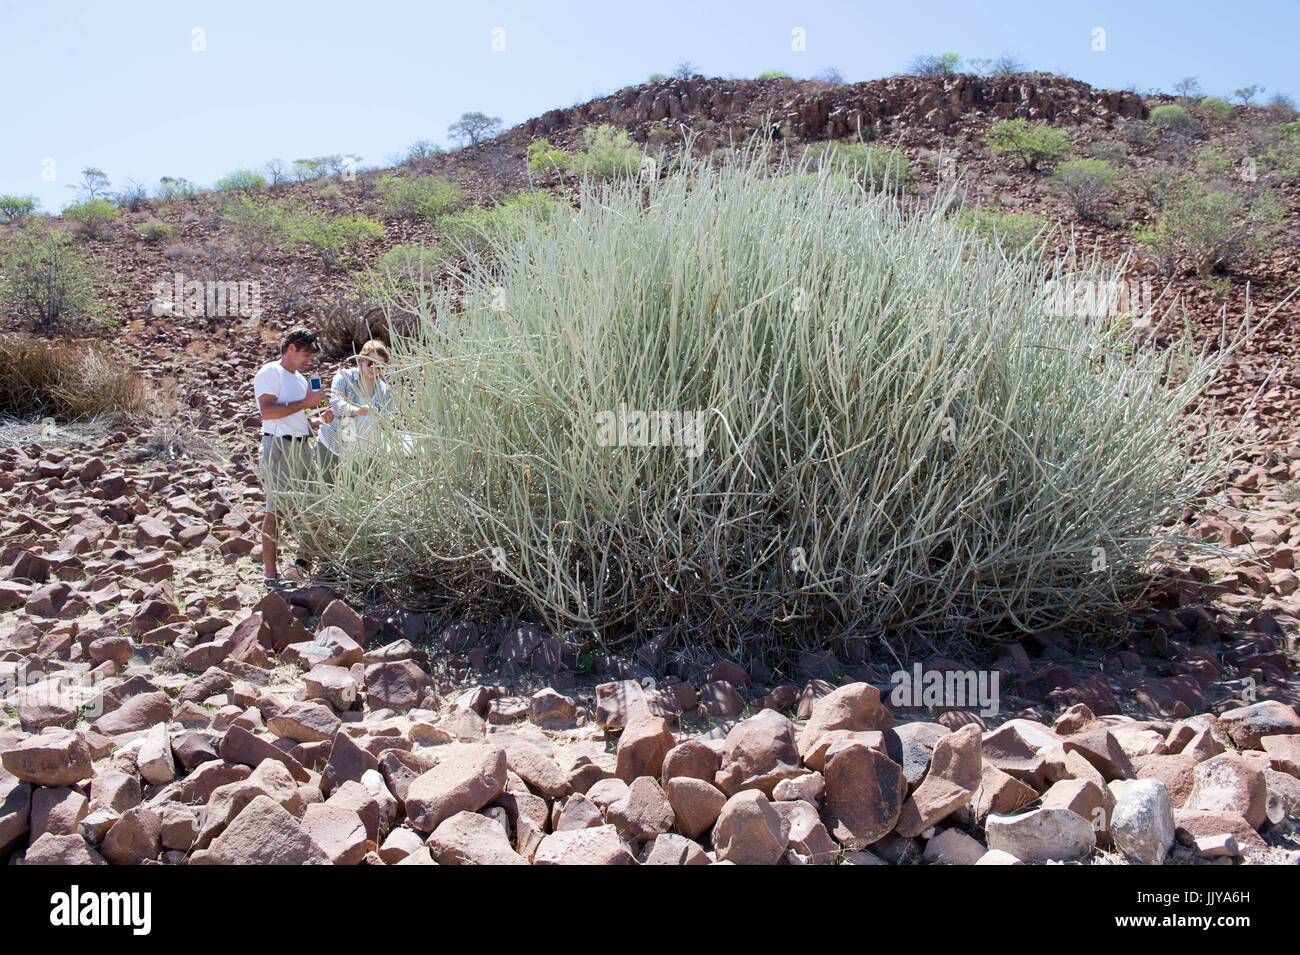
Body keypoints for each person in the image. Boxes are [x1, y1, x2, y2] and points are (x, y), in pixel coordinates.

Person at [254, 327, 329, 588]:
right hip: (278, 447)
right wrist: (305, 405)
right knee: (276, 510)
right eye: (306, 355)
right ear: (291, 348)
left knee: (313, 504)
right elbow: (268, 412)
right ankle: (270, 575)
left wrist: (316, 419)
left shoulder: (299, 380)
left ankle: (304, 562)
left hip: (302, 447)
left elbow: (297, 418)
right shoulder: (270, 372)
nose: (309, 361)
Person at [316, 338, 394, 480]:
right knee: (329, 491)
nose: (374, 369)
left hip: (364, 450)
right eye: (371, 363)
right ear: (361, 361)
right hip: (335, 445)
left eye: (379, 367)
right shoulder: (345, 377)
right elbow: (336, 402)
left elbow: (387, 418)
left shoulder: (384, 390)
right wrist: (355, 410)